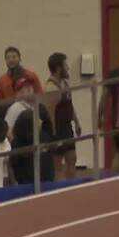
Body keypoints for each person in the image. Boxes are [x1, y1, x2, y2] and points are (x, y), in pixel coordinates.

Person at [45, 52, 81, 181]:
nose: (68, 67)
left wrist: (76, 122)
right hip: (57, 130)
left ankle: (71, 186)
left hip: (67, 128)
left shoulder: (65, 83)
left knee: (72, 158)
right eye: (66, 65)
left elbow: (70, 105)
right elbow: (49, 112)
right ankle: (58, 189)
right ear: (59, 68)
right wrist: (53, 134)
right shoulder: (51, 87)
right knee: (57, 164)